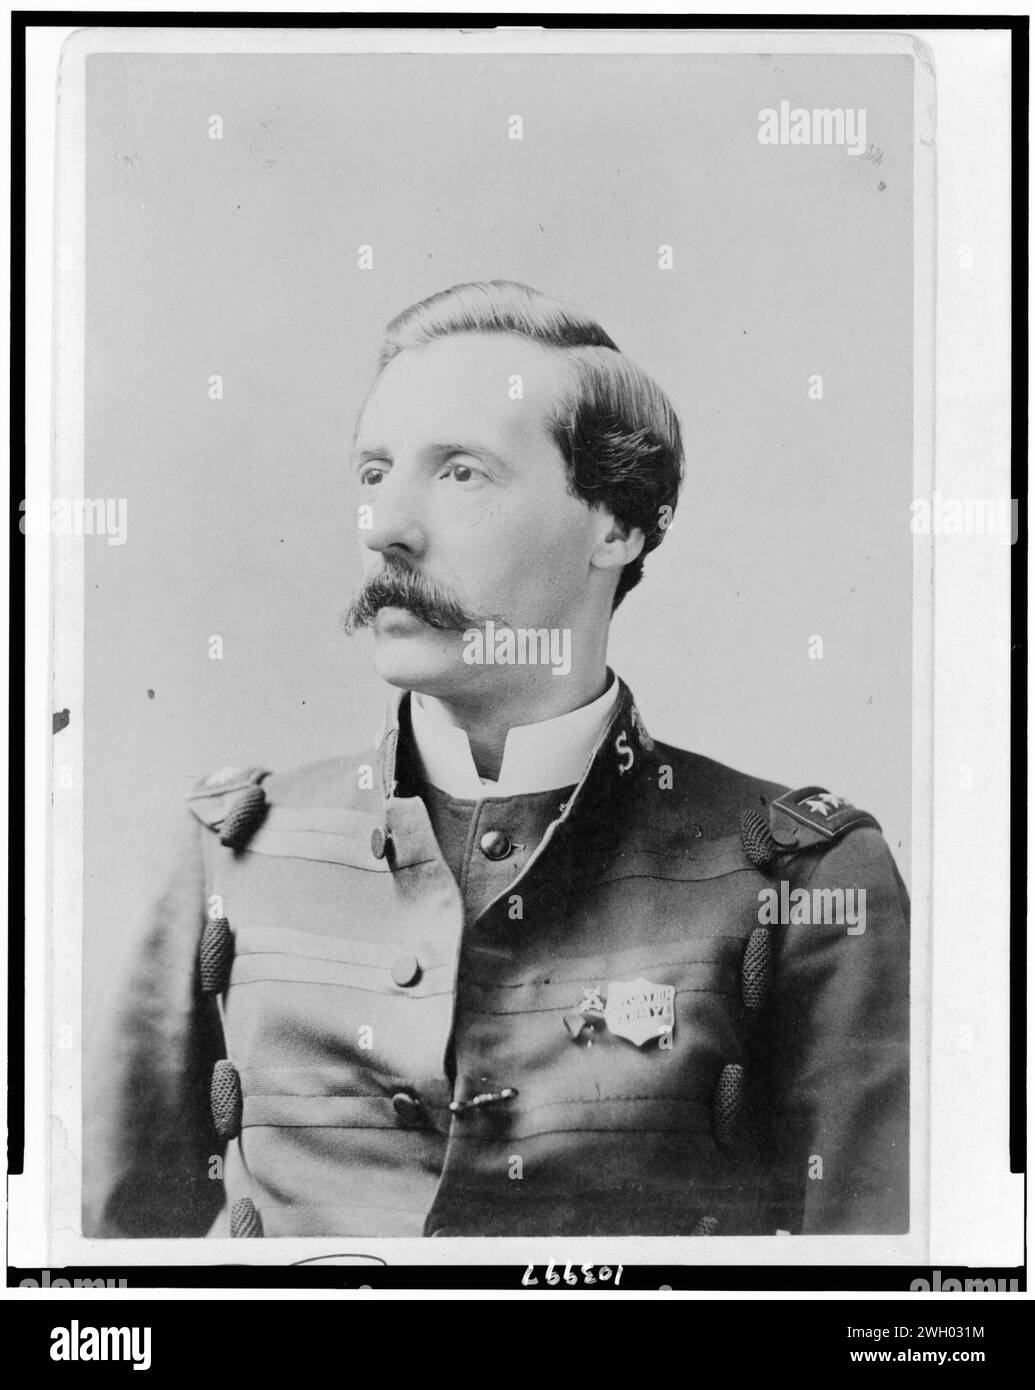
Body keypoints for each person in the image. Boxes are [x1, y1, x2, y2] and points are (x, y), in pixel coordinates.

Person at [87, 280, 909, 1239]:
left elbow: (876, 1299)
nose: (385, 525)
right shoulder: (230, 855)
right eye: (373, 473)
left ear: (617, 525)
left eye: (460, 473)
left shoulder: (800, 874)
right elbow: (111, 1274)